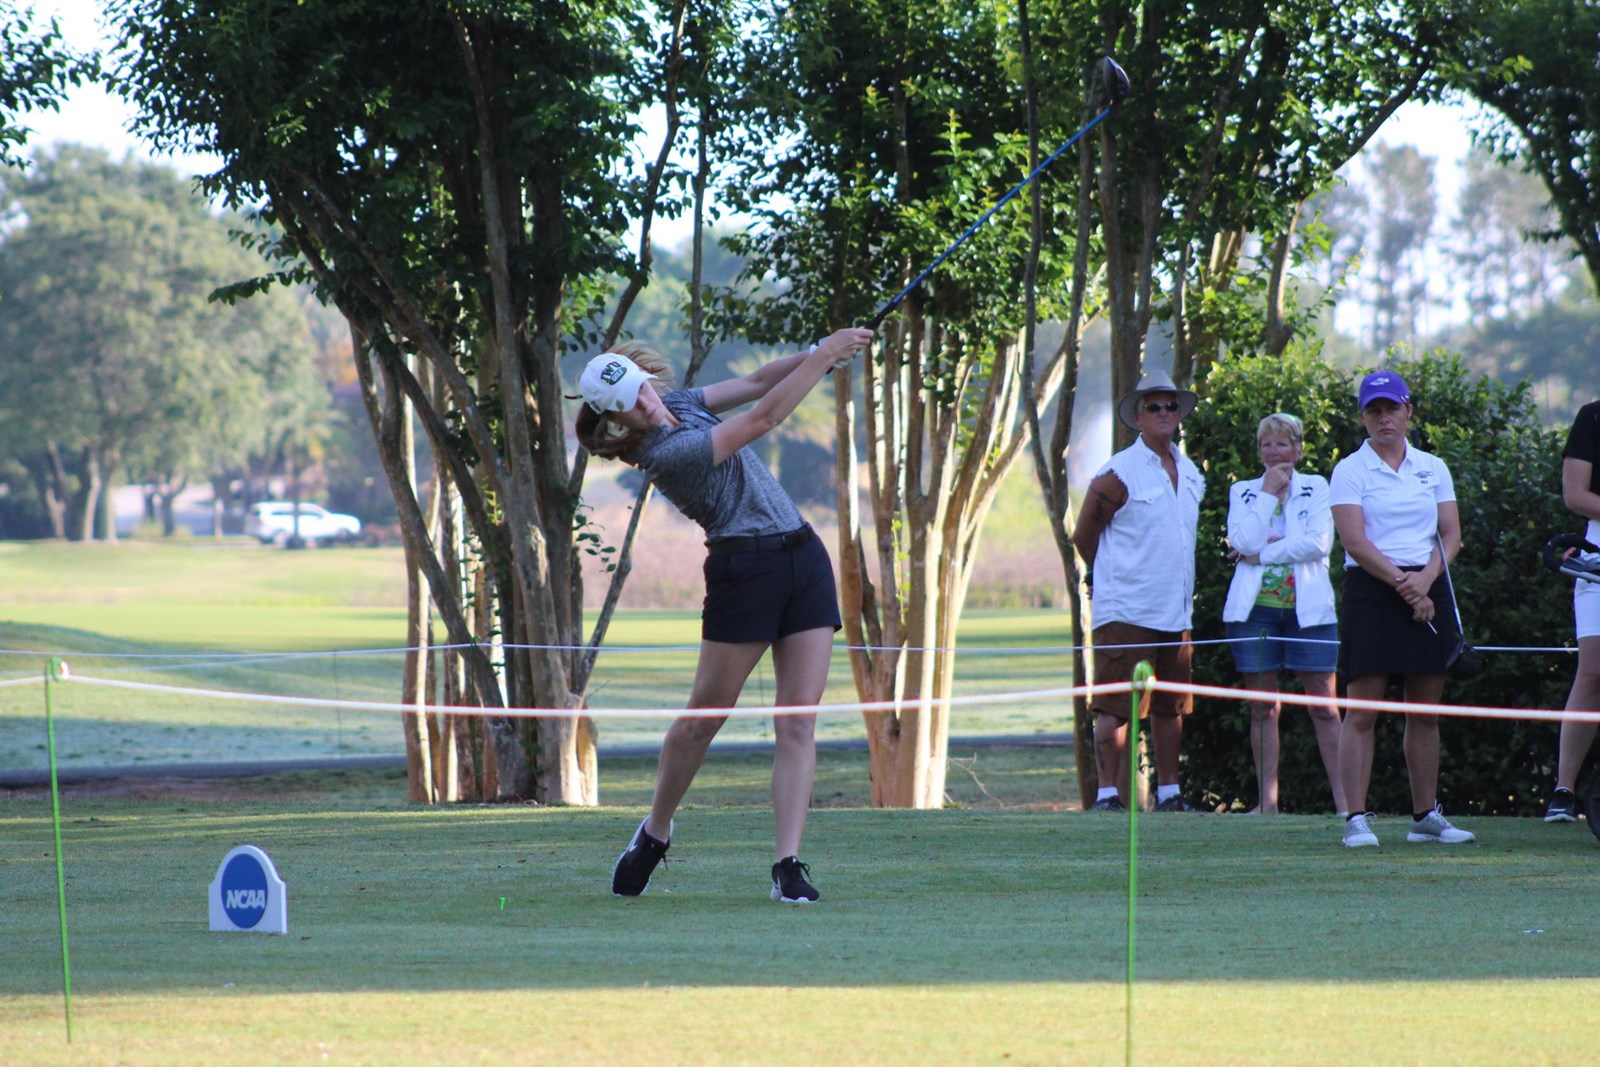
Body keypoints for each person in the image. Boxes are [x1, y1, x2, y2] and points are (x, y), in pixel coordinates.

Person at [575, 326, 875, 902]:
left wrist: (821, 351)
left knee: (797, 721)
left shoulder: (680, 403)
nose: (647, 402)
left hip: (804, 556)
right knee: (704, 719)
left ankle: (787, 864)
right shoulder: (668, 456)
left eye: (642, 388)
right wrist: (829, 355)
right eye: (631, 405)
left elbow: (762, 379)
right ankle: (654, 832)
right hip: (745, 571)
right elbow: (763, 417)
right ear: (617, 422)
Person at [1329, 370, 1474, 847]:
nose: (1384, 417)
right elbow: (1353, 539)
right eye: (1374, 410)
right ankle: (1355, 818)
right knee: (1363, 710)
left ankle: (1424, 816)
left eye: (1392, 408)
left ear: (1408, 412)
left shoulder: (1433, 467)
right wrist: (1404, 586)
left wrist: (1425, 581)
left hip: (1429, 584)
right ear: (1363, 417)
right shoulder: (1350, 468)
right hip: (1374, 589)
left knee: (1426, 711)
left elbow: (1450, 534)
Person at [1072, 369, 1206, 812]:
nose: (1165, 413)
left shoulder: (1189, 472)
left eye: (1172, 406)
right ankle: (1108, 795)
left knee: (1171, 706)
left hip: (1176, 611)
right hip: (1126, 609)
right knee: (1115, 704)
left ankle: (1170, 794)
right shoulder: (1117, 472)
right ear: (1138, 416)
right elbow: (1084, 535)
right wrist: (1103, 578)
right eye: (1155, 406)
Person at [1224, 412, 1347, 815]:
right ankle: (1268, 804)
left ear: (1298, 448)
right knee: (1262, 707)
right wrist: (1266, 494)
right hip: (1253, 613)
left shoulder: (1317, 486)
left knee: (1325, 708)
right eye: (1266, 444)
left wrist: (1260, 555)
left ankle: (1348, 805)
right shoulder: (1244, 491)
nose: (1274, 451)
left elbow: (1318, 543)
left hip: (1310, 613)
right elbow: (1240, 538)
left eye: (1282, 443)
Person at [1544, 398, 1600, 822]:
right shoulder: (1592, 416)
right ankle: (1564, 789)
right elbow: (1575, 493)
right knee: (1594, 669)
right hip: (1598, 552)